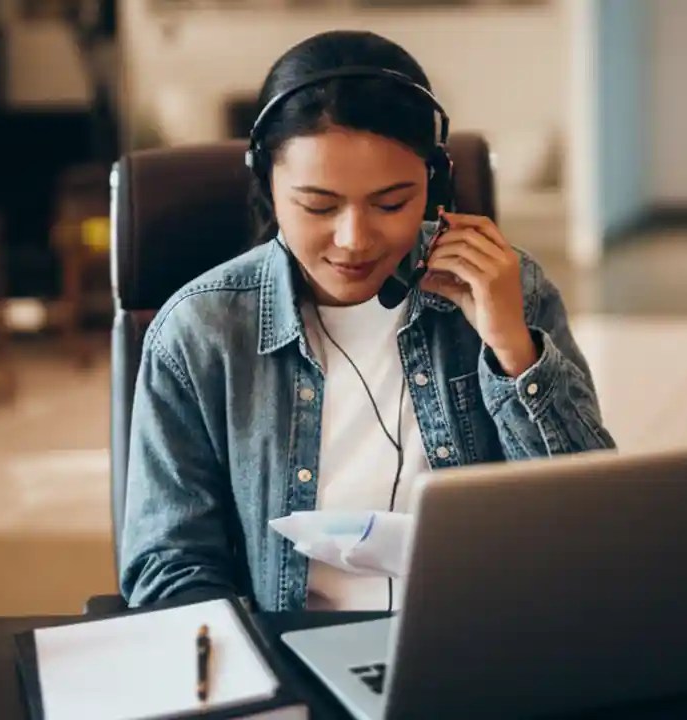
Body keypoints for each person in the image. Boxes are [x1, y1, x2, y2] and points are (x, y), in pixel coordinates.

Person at [120, 30, 615, 613]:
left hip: (474, 641)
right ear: (267, 183)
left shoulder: (511, 290)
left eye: (390, 204)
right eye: (319, 206)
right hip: (289, 656)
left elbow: (592, 529)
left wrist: (512, 347)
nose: (354, 241)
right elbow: (169, 566)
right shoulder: (198, 332)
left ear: (436, 185)